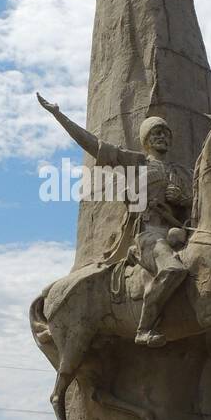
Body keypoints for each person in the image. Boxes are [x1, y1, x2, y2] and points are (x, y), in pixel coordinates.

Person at [37, 93, 190, 345]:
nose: (162, 137)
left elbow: (198, 208)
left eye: (165, 133)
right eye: (156, 134)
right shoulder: (136, 163)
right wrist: (59, 115)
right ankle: (144, 328)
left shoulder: (181, 172)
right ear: (146, 141)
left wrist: (182, 199)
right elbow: (94, 145)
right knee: (172, 268)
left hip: (179, 234)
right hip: (149, 234)